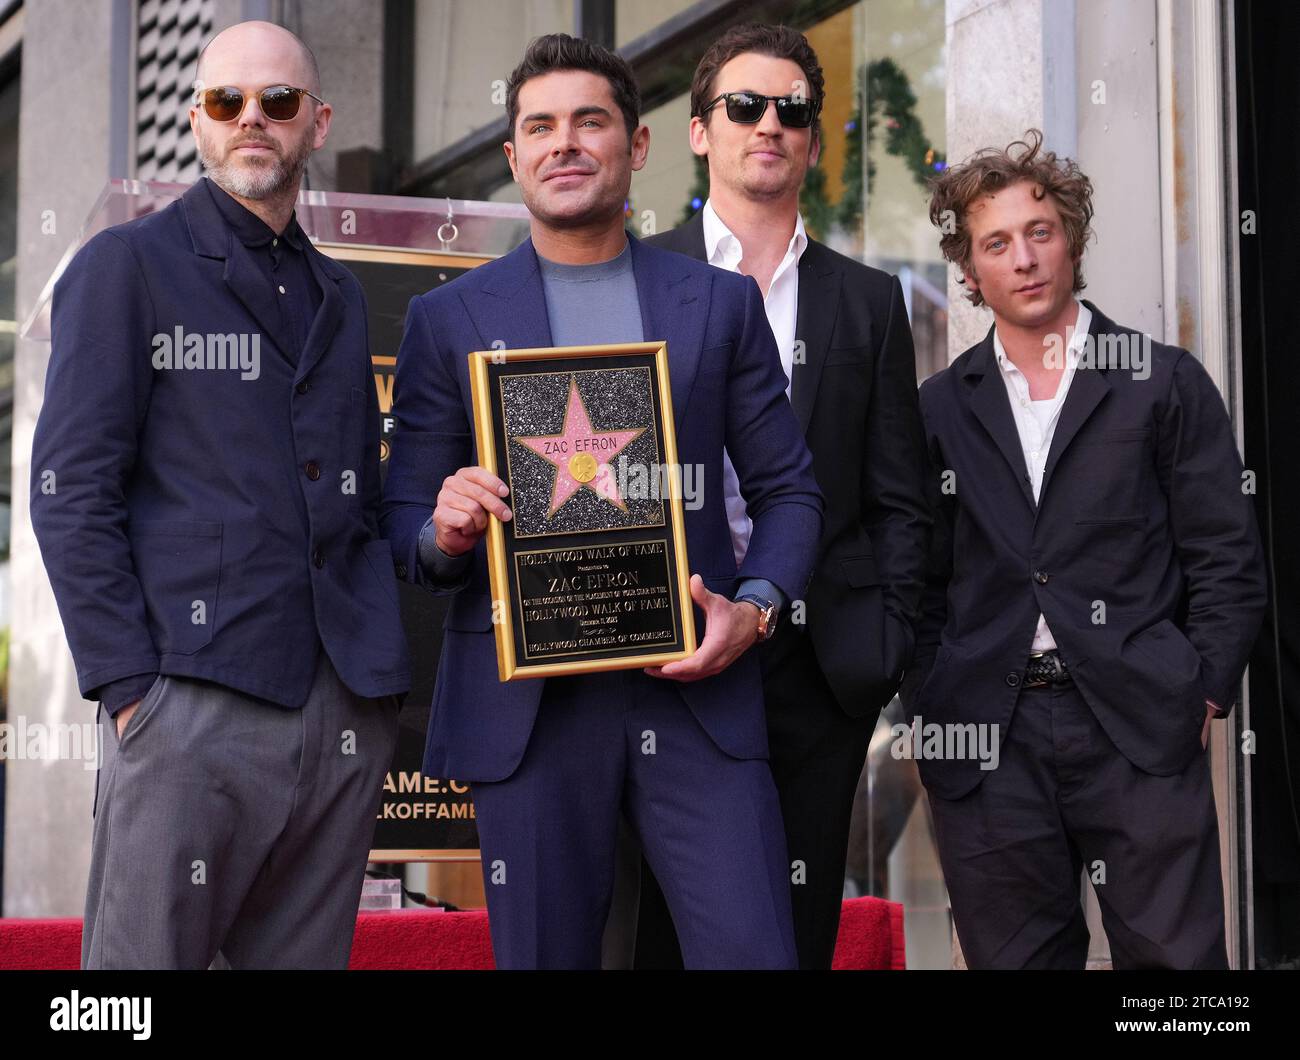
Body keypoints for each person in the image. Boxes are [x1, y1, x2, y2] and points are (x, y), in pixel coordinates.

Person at [381, 32, 823, 969]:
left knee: (753, 953)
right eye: (539, 126)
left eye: (590, 121)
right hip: (530, 713)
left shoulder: (720, 302)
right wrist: (444, 528)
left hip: (697, 693)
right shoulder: (445, 320)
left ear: (639, 144)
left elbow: (791, 490)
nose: (564, 142)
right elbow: (403, 526)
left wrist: (756, 610)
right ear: (513, 158)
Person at [29, 20, 407, 969]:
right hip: (187, 704)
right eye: (227, 101)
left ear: (316, 123)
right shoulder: (127, 267)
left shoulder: (340, 293)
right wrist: (130, 695)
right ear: (195, 121)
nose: (253, 120)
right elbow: (70, 489)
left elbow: (354, 492)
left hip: (339, 710)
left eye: (278, 103)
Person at [901, 130, 1267, 968]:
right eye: (996, 242)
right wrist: (929, 697)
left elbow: (1226, 559)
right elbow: (917, 576)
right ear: (968, 269)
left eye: (1041, 231)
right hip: (985, 739)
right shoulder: (937, 409)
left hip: (1138, 723)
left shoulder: (1161, 380)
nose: (1024, 258)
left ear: (1071, 239)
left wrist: (1200, 689)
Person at [628, 23, 931, 970]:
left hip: (818, 665)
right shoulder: (640, 277)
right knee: (663, 937)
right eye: (745, 105)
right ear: (698, 130)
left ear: (812, 135)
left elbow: (901, 499)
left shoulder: (869, 301)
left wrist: (884, 646)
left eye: (792, 110)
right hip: (664, 654)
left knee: (795, 936)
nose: (770, 124)